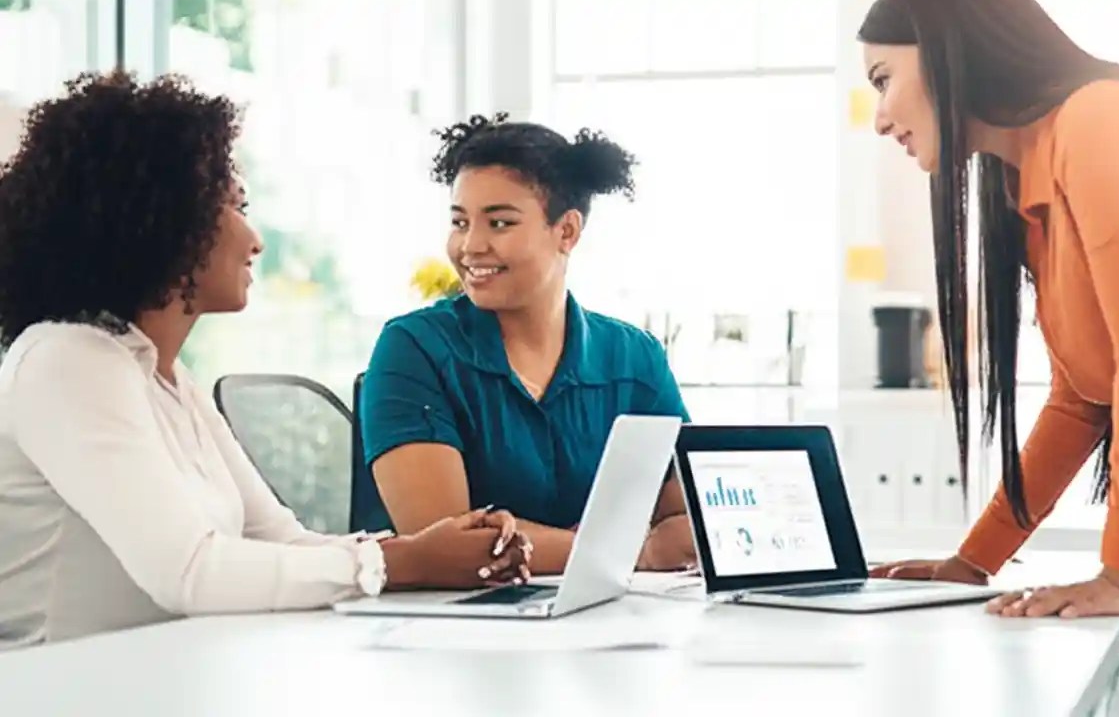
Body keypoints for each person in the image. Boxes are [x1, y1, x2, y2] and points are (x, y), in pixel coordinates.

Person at [0, 73, 531, 649]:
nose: (255, 239)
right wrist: (402, 563)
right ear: (168, 219)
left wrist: (427, 550)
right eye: (237, 206)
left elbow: (278, 539)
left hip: (156, 680)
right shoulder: (67, 362)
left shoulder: (164, 377)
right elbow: (191, 573)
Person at [857, 0, 1119, 713]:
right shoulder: (1027, 183)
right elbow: (1082, 398)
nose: (879, 118)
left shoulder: (1100, 118)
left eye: (881, 79)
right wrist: (973, 560)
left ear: (947, 49)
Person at [361, 114, 694, 575]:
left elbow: (687, 519)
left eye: (499, 223)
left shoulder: (636, 358)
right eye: (460, 222)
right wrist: (629, 553)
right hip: (447, 628)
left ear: (567, 231)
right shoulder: (414, 349)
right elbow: (450, 544)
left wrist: (619, 548)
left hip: (605, 621)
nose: (470, 245)